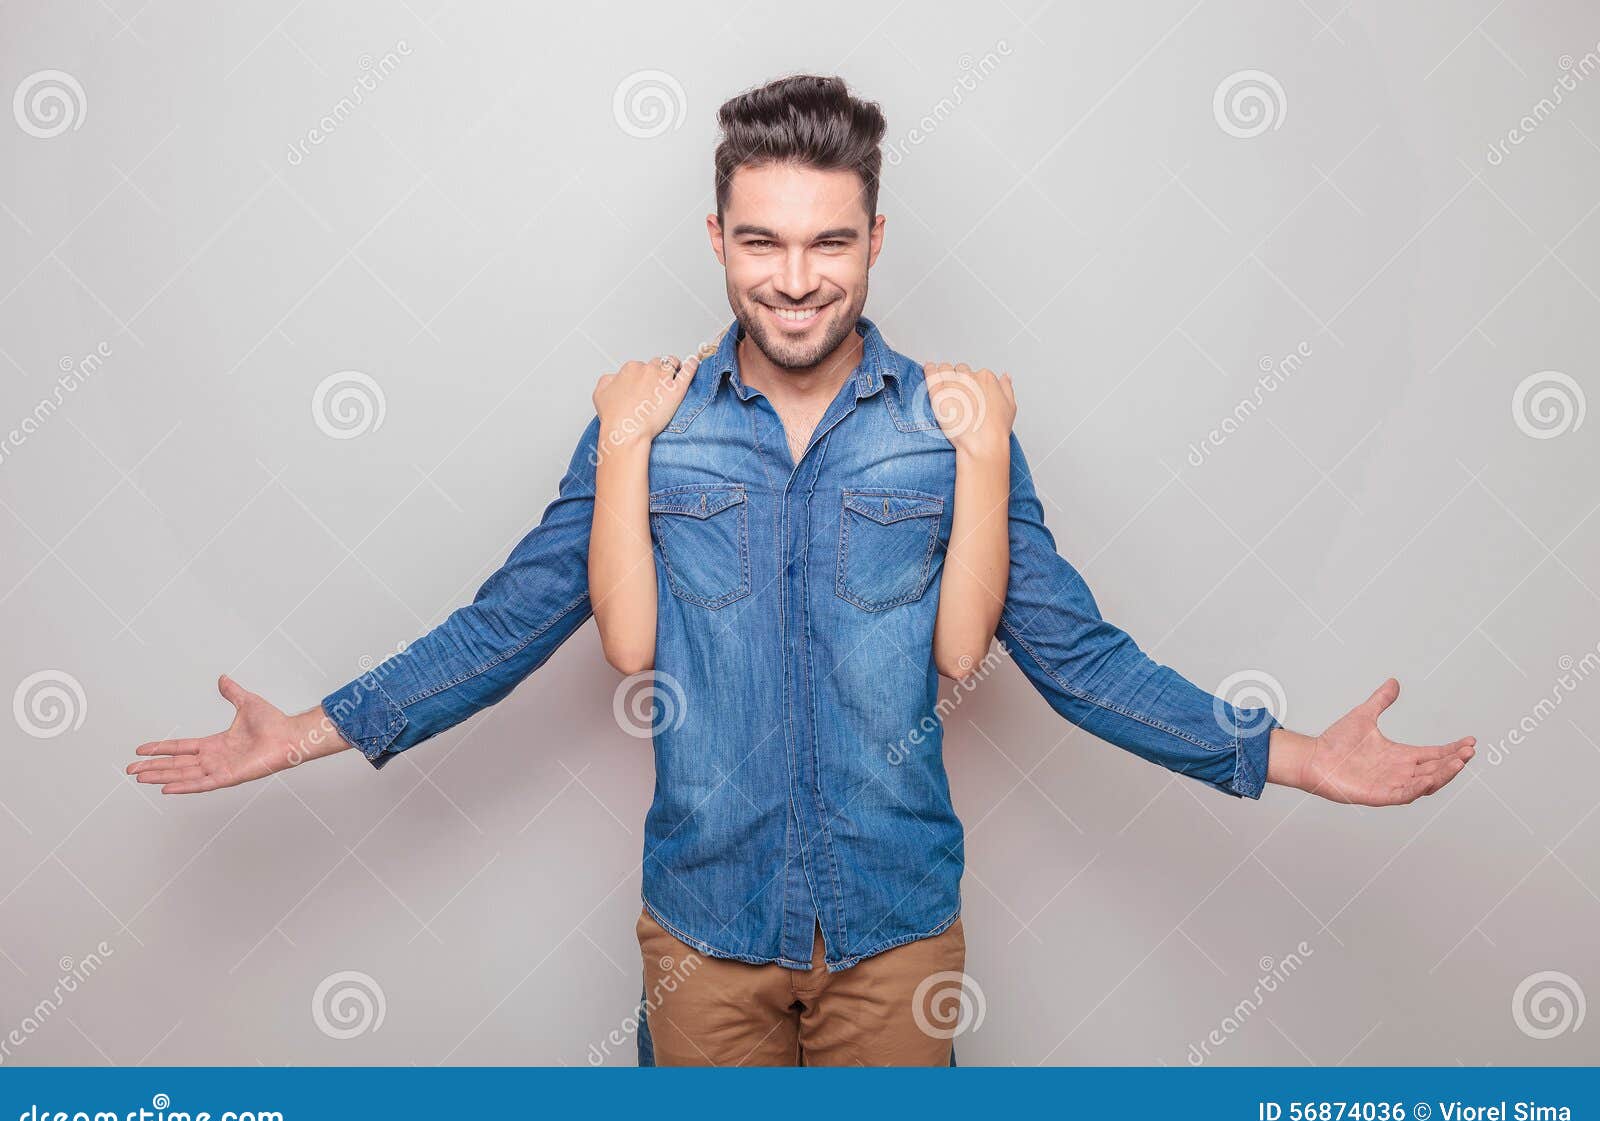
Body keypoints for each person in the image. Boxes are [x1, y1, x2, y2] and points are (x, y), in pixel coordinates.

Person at [126, 74, 1476, 1066]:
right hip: (703, 934)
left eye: (829, 242)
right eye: (762, 242)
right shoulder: (649, 424)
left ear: (876, 241)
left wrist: (1294, 755)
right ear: (716, 239)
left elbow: (1073, 655)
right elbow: (509, 621)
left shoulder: (953, 433)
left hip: (897, 938)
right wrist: (305, 730)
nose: (794, 280)